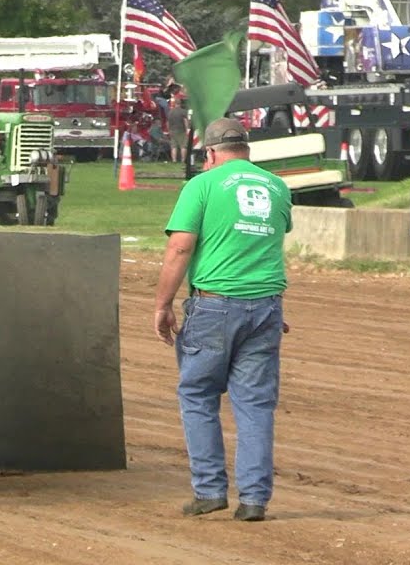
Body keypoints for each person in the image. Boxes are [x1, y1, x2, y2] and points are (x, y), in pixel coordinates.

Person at [153, 117, 292, 523]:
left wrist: (163, 304)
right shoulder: (277, 187)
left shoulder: (201, 185)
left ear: (210, 153)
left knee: (197, 395)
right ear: (246, 149)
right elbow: (265, 246)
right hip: (265, 306)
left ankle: (210, 490)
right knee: (255, 405)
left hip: (214, 305)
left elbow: (180, 248)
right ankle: (254, 500)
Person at [167, 95, 189, 164]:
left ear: (175, 104)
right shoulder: (183, 111)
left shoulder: (170, 112)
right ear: (180, 104)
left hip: (172, 131)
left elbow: (167, 122)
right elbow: (185, 121)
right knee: (183, 146)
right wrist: (187, 129)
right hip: (181, 130)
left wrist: (169, 130)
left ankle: (174, 160)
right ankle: (183, 160)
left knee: (173, 146)